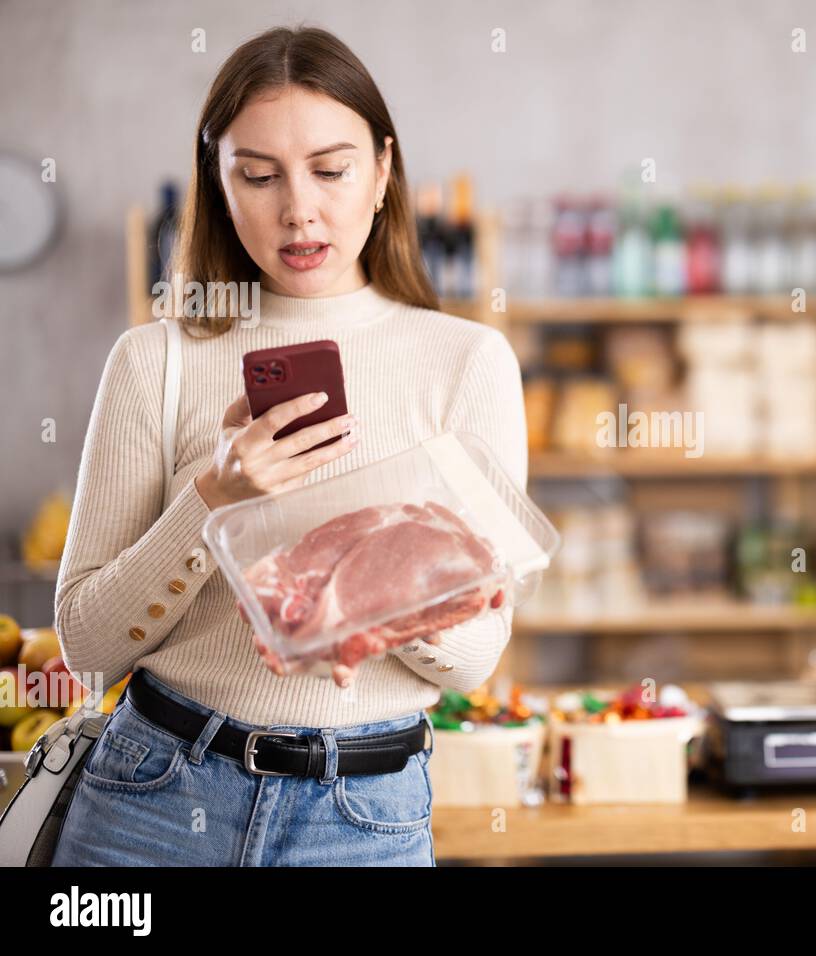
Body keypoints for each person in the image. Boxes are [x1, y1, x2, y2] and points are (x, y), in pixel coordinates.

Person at [49, 25, 526, 866]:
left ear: (382, 170)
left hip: (362, 816)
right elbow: (87, 647)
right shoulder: (154, 360)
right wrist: (213, 502)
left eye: (331, 170)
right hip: (153, 797)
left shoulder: (467, 362)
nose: (298, 209)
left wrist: (361, 596)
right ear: (219, 182)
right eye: (259, 175)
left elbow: (476, 657)